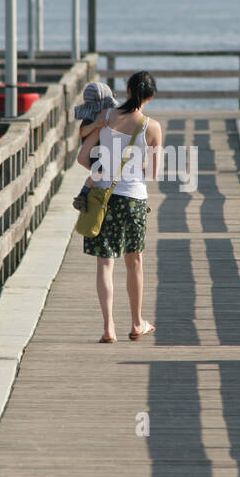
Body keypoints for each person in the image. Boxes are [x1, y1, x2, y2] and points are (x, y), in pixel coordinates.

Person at [77, 71, 163, 343]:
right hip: (134, 200)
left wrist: (105, 167)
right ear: (150, 96)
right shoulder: (152, 127)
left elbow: (82, 157)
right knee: (134, 261)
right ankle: (138, 323)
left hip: (104, 196)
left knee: (105, 263)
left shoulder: (108, 117)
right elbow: (154, 173)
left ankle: (108, 328)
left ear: (126, 89)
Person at [70, 82, 117, 213]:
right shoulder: (90, 119)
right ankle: (82, 195)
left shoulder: (110, 116)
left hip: (103, 153)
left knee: (101, 172)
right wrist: (96, 125)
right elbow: (82, 132)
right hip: (95, 153)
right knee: (99, 173)